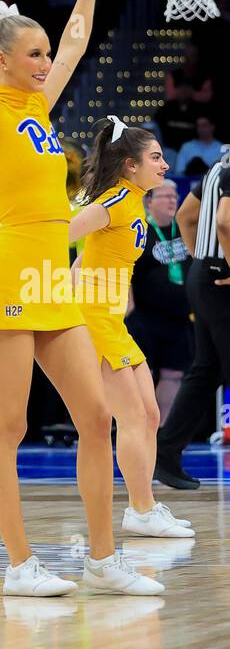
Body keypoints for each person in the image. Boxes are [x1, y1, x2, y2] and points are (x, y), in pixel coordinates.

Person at [0, 0, 162, 598]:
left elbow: (77, 39)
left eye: (45, 53)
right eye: (33, 53)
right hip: (11, 271)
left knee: (95, 418)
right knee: (9, 426)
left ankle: (103, 558)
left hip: (51, 276)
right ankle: (20, 566)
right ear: (4, 58)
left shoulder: (39, 106)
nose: (46, 61)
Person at [68, 117, 193, 538]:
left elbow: (83, 257)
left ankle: (146, 506)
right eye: (155, 158)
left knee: (151, 413)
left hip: (111, 321)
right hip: (94, 322)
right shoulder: (117, 199)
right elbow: (65, 232)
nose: (163, 164)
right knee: (132, 415)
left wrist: (76, 277)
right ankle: (141, 508)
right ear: (130, 165)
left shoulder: (133, 200)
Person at [155, 149, 230, 490]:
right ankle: (164, 452)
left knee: (206, 369)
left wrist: (201, 260)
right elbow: (225, 221)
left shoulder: (218, 165)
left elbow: (186, 215)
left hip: (204, 274)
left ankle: (165, 452)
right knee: (210, 368)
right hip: (220, 278)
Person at [125, 181, 193, 423]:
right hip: (145, 317)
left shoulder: (185, 229)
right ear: (149, 201)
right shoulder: (142, 232)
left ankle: (162, 430)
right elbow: (126, 271)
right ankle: (140, 426)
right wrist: (128, 307)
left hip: (179, 318)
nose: (172, 200)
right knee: (144, 373)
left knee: (174, 374)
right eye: (165, 196)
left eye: (174, 196)